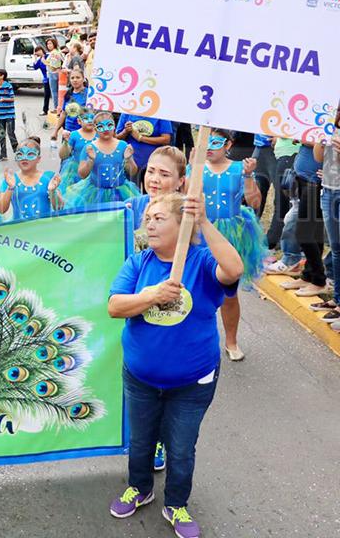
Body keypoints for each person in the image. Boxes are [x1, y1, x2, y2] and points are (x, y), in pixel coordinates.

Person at [108, 192, 242, 538]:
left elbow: (234, 270)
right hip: (141, 378)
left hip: (192, 381)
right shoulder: (139, 263)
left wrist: (205, 223)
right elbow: (115, 306)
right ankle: (140, 487)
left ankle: (177, 504)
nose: (149, 223)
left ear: (183, 225)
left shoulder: (201, 262)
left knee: (181, 447)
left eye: (159, 218)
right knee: (141, 441)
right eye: (148, 218)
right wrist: (153, 295)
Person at [195, 130, 263, 361]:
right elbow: (185, 199)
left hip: (231, 236)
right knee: (194, 288)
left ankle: (231, 341)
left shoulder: (238, 169)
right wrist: (192, 170)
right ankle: (195, 339)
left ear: (228, 144)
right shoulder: (195, 166)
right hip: (200, 232)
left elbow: (254, 202)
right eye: (207, 142)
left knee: (229, 292)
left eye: (216, 142)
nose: (210, 147)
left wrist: (248, 176)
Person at [65, 111, 140, 209]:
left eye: (109, 125)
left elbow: (133, 172)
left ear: (114, 126)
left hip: (120, 193)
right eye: (101, 127)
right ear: (95, 129)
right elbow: (82, 174)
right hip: (94, 194)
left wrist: (128, 159)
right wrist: (90, 161)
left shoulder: (123, 145)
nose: (106, 129)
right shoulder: (89, 148)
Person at [0, 137, 62, 222]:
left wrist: (52, 191)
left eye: (30, 154)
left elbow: (59, 207)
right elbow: (1, 210)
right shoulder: (10, 179)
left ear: (38, 159)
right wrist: (10, 188)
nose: (24, 158)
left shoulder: (49, 177)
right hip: (20, 231)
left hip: (45, 229)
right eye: (20, 154)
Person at [314, 128, 340, 325]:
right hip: (329, 190)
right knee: (337, 249)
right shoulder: (330, 128)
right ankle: (337, 299)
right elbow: (318, 157)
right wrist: (319, 140)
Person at [117, 113, 174, 190]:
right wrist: (125, 131)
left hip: (153, 162)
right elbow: (117, 138)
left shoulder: (160, 111)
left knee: (151, 191)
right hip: (131, 162)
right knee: (132, 192)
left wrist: (141, 138)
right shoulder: (127, 112)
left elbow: (166, 139)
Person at [57, 106, 97, 191]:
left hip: (95, 170)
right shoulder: (74, 135)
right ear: (79, 121)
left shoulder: (99, 134)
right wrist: (66, 142)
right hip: (76, 171)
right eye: (86, 118)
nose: (90, 121)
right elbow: (63, 155)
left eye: (92, 118)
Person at [44, 37, 63, 111]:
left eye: (50, 43)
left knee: (54, 92)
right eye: (47, 44)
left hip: (53, 73)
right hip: (54, 73)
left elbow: (54, 65)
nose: (48, 45)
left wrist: (44, 62)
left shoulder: (54, 53)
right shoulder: (55, 52)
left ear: (54, 44)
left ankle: (56, 107)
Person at [32, 46, 50, 116]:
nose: (38, 52)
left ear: (42, 50)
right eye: (36, 51)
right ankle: (45, 110)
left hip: (51, 77)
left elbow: (49, 65)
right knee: (46, 95)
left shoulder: (47, 56)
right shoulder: (39, 60)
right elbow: (35, 67)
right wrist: (35, 58)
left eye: (39, 50)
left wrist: (44, 61)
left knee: (55, 94)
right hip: (46, 79)